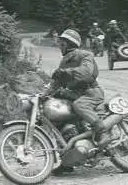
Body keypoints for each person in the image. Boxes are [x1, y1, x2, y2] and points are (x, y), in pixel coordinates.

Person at [43, 29, 113, 173]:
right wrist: (44, 95)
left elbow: (86, 73)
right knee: (57, 120)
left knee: (79, 105)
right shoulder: (64, 62)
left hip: (91, 93)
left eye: (62, 43)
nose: (59, 46)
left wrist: (65, 73)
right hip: (74, 95)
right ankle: (67, 161)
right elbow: (55, 84)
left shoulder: (85, 55)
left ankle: (102, 131)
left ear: (70, 44)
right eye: (60, 43)